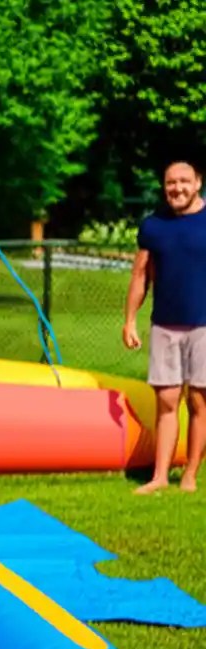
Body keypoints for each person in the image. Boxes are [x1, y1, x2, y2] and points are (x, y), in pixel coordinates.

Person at [124, 159, 206, 495]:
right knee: (167, 402)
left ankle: (189, 475)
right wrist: (130, 320)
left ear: (198, 183)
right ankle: (159, 476)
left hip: (204, 326)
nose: (177, 188)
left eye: (184, 181)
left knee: (200, 402)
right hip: (165, 326)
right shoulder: (153, 226)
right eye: (171, 182)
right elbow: (140, 274)